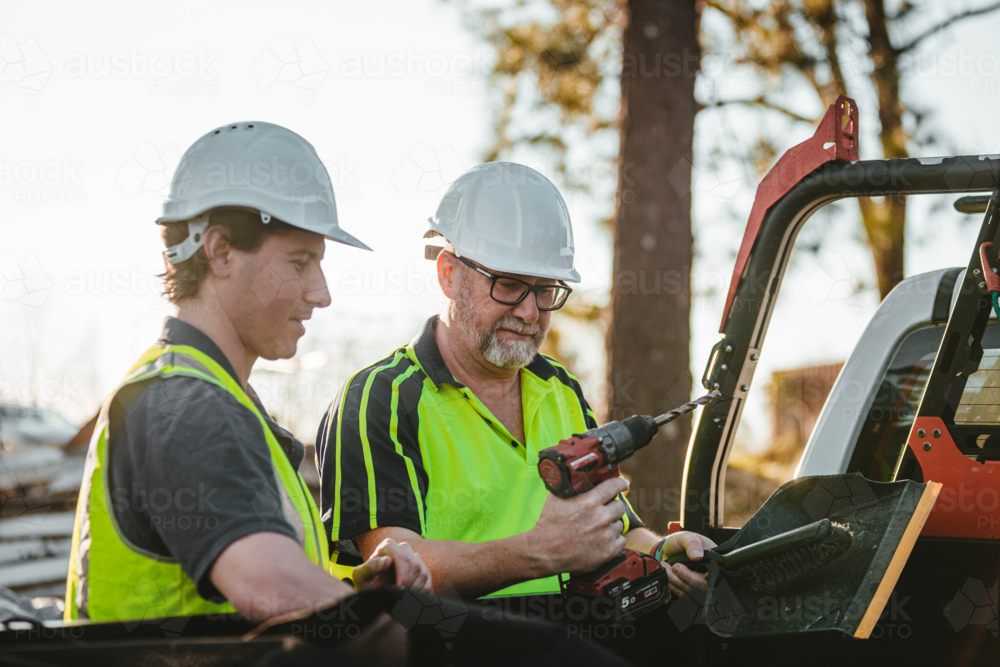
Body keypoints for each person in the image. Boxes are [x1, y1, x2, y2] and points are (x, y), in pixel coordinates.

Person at [64, 122, 432, 635]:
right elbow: (269, 587)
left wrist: (351, 596)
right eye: (300, 262)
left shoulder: (208, 397)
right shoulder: (184, 404)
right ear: (219, 252)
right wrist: (404, 637)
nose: (321, 292)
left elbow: (274, 597)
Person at [317, 162, 715, 600]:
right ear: (449, 274)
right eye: (508, 285)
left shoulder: (560, 389)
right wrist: (538, 554)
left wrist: (660, 552)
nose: (529, 313)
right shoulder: (381, 399)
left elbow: (612, 530)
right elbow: (395, 571)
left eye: (546, 290)